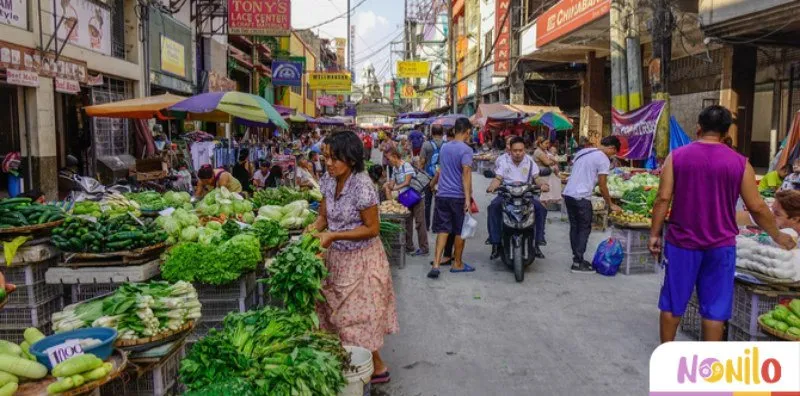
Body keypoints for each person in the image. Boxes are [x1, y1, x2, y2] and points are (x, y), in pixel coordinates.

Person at [649, 105, 796, 343]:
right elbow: (757, 206)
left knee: (673, 303)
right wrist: (777, 235)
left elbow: (663, 198)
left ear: (698, 127)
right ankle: (711, 368)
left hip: (682, 243)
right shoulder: (740, 163)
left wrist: (654, 234)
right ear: (727, 132)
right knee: (714, 310)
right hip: (721, 246)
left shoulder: (677, 157)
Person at [307, 130, 399, 384]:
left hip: (362, 260)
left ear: (350, 158)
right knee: (334, 314)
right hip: (336, 260)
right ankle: (367, 366)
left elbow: (372, 228)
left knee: (354, 318)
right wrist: (311, 230)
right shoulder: (327, 179)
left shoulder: (362, 184)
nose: (328, 163)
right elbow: (324, 217)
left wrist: (333, 236)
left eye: (334, 158)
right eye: (326, 157)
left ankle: (371, 369)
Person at [562, 135, 622, 274]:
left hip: (569, 194)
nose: (613, 156)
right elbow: (602, 185)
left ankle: (576, 258)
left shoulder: (584, 151)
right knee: (584, 228)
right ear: (612, 148)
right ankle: (578, 262)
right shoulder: (603, 159)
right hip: (582, 197)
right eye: (614, 153)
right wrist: (610, 203)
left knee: (575, 227)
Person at [486, 136, 550, 260]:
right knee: (493, 207)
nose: (517, 153)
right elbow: (498, 178)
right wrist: (492, 186)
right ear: (510, 150)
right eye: (515, 150)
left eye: (520, 150)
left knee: (541, 209)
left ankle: (538, 242)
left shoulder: (530, 162)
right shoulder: (503, 162)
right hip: (507, 195)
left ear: (524, 150)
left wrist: (542, 185)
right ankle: (495, 243)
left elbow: (537, 178)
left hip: (526, 196)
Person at [429, 117, 474, 279]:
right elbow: (466, 174)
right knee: (459, 231)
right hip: (457, 196)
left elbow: (440, 170)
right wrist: (468, 200)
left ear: (455, 130)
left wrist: (433, 184)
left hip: (442, 195)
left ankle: (436, 263)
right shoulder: (466, 150)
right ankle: (457, 264)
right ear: (468, 131)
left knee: (443, 229)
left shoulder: (444, 148)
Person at [383, 150, 429, 256]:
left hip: (416, 196)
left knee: (420, 222)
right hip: (405, 198)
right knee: (407, 222)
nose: (388, 161)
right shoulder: (395, 169)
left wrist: (394, 188)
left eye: (389, 159)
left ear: (394, 156)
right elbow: (392, 183)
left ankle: (424, 248)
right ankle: (409, 246)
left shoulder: (406, 166)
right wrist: (388, 185)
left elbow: (407, 182)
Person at [419, 126, 444, 230]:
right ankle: (437, 225)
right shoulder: (446, 145)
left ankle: (427, 225)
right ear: (442, 133)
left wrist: (420, 172)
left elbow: (422, 161)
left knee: (427, 203)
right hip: (442, 178)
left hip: (428, 177)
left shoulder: (426, 145)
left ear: (432, 133)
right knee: (440, 202)